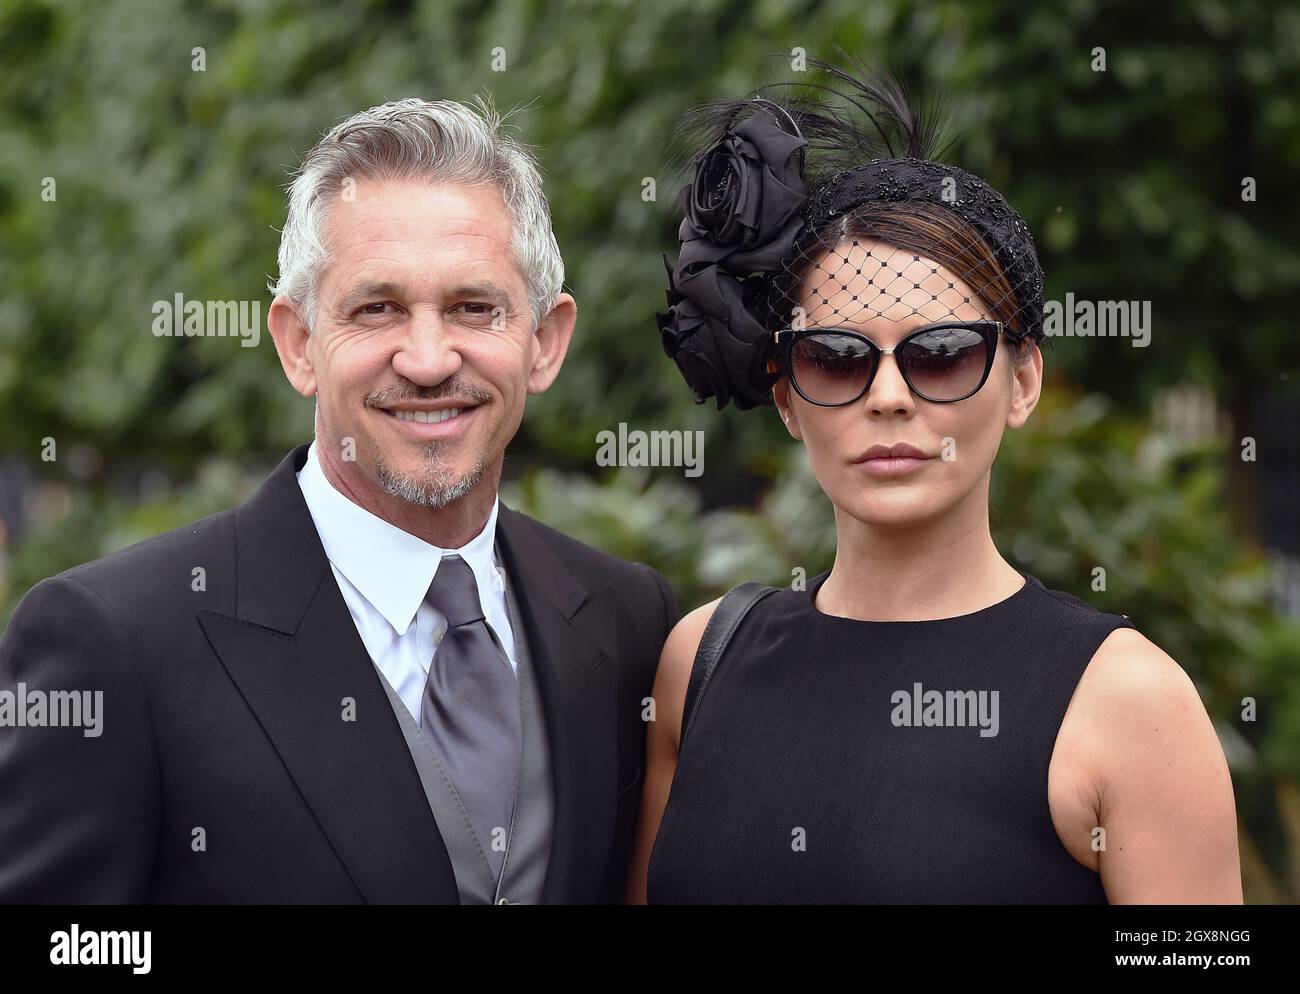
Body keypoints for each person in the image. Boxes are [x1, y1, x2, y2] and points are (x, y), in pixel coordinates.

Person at [0, 97, 677, 904]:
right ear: (297, 344)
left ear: (546, 342)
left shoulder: (626, 619)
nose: (428, 359)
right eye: (376, 309)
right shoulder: (114, 642)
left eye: (473, 308)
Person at [628, 60, 1242, 903]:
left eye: (943, 353)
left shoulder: (1128, 703)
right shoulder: (700, 662)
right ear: (786, 397)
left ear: (1022, 380)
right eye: (836, 359)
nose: (888, 398)